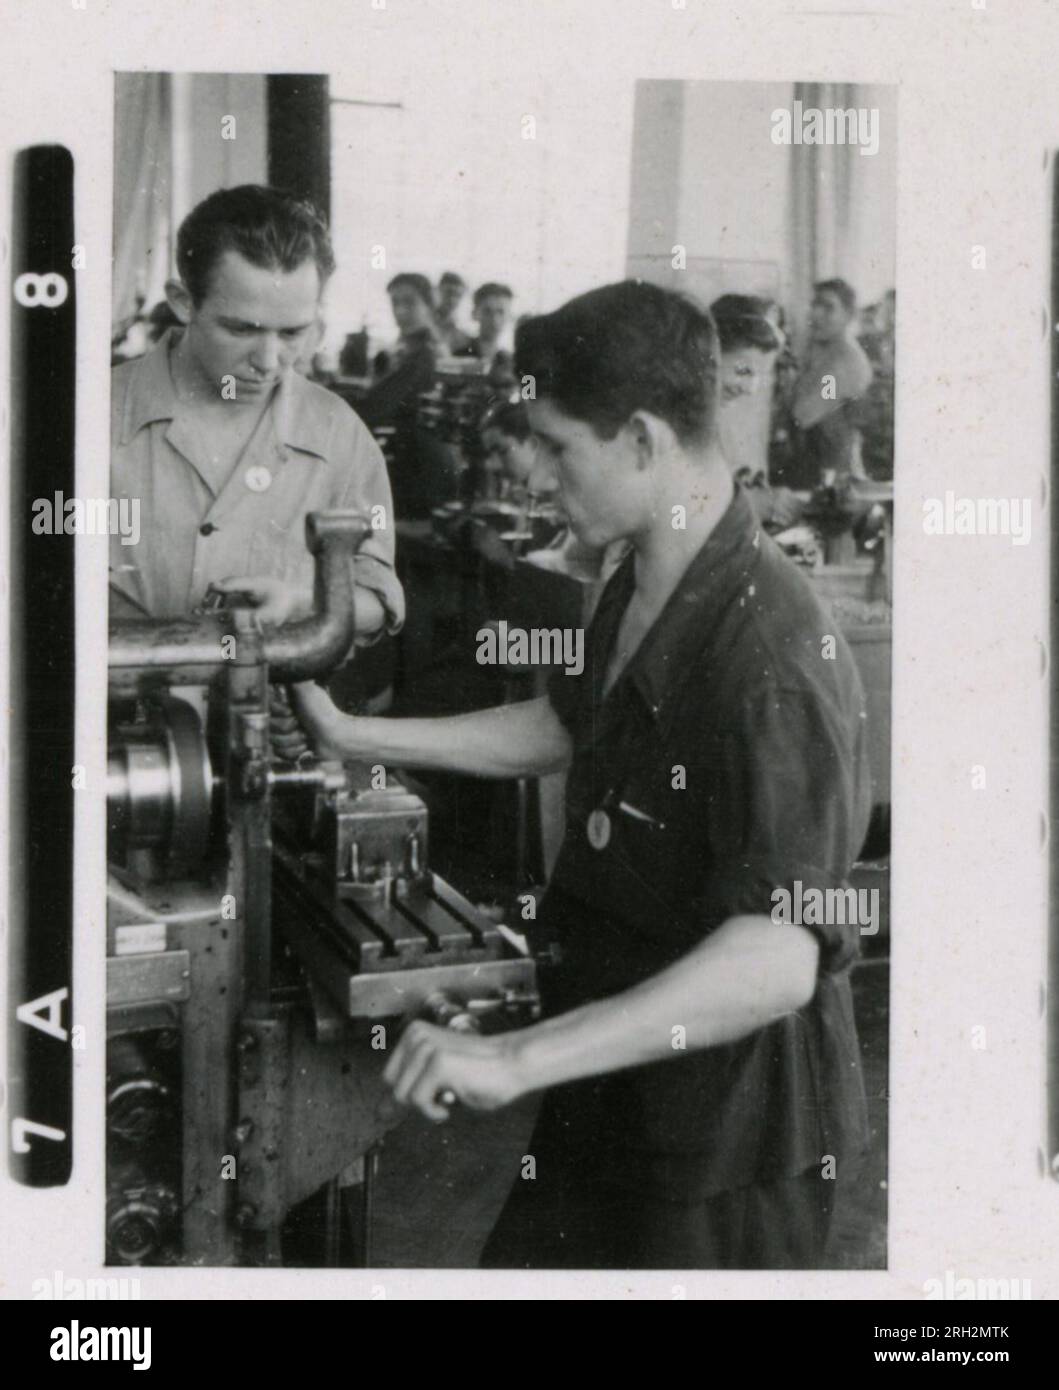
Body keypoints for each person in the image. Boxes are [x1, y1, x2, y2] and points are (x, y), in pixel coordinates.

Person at [292, 280, 872, 1270]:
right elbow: (567, 723)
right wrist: (358, 737)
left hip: (723, 1141)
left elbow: (777, 961)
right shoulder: (639, 579)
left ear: (643, 442)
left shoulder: (772, 652)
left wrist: (512, 1058)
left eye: (561, 450)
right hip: (611, 1073)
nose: (540, 478)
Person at [110, 184, 404, 640]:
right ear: (183, 302)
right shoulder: (90, 418)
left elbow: (378, 591)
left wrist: (303, 602)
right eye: (242, 329)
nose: (268, 362)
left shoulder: (338, 434)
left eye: (292, 333)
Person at [710, 293, 803, 532]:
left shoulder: (725, 410)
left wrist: (765, 498)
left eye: (763, 374)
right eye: (743, 371)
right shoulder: (679, 418)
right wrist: (754, 504)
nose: (751, 388)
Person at [789, 277, 873, 487]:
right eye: (815, 305)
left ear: (849, 315)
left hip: (837, 478)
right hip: (819, 472)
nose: (816, 314)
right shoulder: (825, 351)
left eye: (827, 307)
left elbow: (803, 414)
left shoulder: (844, 361)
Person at [457, 281, 515, 377]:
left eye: (501, 312)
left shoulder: (510, 361)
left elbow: (528, 390)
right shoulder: (459, 356)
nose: (494, 319)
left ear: (509, 316)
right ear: (475, 313)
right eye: (487, 312)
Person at [435, 271, 472, 355]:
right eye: (449, 293)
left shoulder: (462, 334)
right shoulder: (423, 322)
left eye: (457, 295)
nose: (452, 300)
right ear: (437, 291)